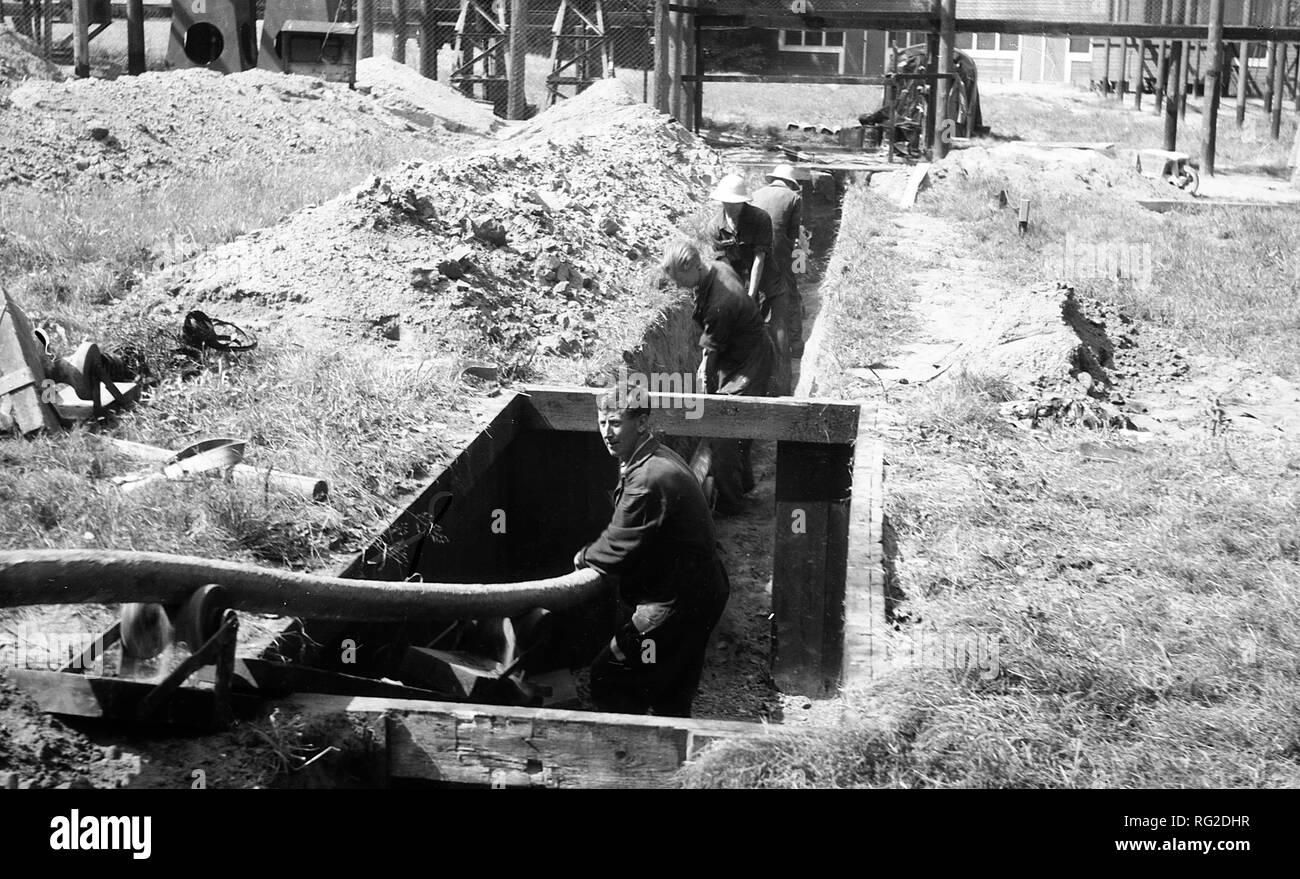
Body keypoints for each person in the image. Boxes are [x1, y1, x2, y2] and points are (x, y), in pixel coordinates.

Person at [573, 382, 730, 718]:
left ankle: (626, 758)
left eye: (616, 423)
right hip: (699, 592)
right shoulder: (653, 457)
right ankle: (670, 759)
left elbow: (617, 546)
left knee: (610, 673)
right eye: (602, 423)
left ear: (641, 422)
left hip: (677, 602)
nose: (607, 433)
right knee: (672, 689)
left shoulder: (648, 477)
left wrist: (583, 557)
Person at [661, 239, 774, 517]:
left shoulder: (721, 303)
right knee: (734, 425)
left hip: (750, 363)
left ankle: (731, 504)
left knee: (722, 429)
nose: (677, 286)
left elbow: (708, 359)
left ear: (693, 268)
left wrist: (704, 396)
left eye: (678, 280)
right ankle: (743, 483)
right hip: (737, 353)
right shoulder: (714, 268)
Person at [707, 173, 792, 396]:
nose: (731, 207)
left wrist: (752, 294)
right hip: (739, 287)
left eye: (735, 203)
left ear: (744, 201)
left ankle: (784, 391)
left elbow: (759, 259)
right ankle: (729, 388)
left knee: (778, 336)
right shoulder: (715, 227)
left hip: (769, 288)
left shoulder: (760, 219)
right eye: (727, 202)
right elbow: (723, 267)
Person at [751, 163, 805, 369]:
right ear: (790, 183)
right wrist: (797, 264)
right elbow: (793, 236)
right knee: (789, 292)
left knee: (754, 292)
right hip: (780, 251)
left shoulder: (756, 194)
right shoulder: (794, 198)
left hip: (754, 250)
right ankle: (796, 346)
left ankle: (753, 338)